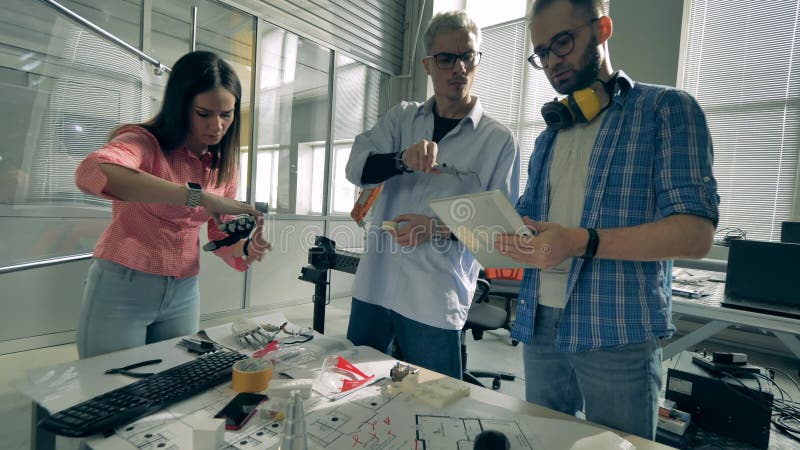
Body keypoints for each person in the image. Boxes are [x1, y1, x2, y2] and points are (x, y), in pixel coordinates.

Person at [495, 0, 720, 440]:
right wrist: (472, 226)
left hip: (616, 328)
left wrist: (580, 241)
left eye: (562, 41)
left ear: (602, 28)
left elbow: (696, 235)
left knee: (620, 448)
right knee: (543, 442)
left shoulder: (667, 109)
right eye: (541, 51)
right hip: (540, 323)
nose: (551, 61)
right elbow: (529, 217)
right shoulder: (549, 134)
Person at [344, 10, 520, 379]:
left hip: (435, 297)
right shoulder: (402, 120)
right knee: (356, 389)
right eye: (446, 59)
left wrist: (436, 228)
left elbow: (499, 231)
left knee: (435, 403)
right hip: (375, 284)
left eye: (468, 56)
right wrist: (401, 159)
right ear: (428, 64)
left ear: (477, 59)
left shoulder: (498, 141)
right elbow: (355, 168)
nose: (458, 67)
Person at [74, 51, 271, 359]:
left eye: (227, 115)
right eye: (204, 114)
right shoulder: (143, 142)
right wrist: (198, 196)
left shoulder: (225, 166)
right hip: (123, 283)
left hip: (183, 291)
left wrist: (245, 250)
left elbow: (219, 237)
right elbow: (92, 172)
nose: (217, 126)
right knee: (111, 390)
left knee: (174, 380)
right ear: (181, 106)